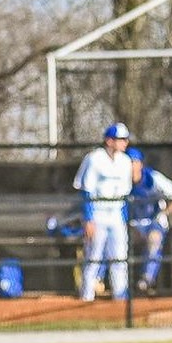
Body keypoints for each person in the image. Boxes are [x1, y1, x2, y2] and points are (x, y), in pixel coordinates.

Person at [73, 122, 134, 300]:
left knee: (120, 257)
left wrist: (124, 220)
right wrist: (88, 219)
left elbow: (125, 194)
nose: (124, 143)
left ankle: (120, 297)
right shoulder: (94, 158)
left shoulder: (125, 161)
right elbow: (86, 191)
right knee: (94, 256)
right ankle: (86, 296)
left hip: (116, 215)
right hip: (97, 214)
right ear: (109, 141)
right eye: (120, 139)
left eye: (125, 139)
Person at [125, 147, 172, 294]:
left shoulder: (152, 178)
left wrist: (165, 212)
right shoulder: (119, 180)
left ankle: (146, 280)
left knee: (154, 239)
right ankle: (115, 283)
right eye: (128, 162)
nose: (131, 166)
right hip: (131, 225)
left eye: (134, 162)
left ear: (140, 164)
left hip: (152, 222)